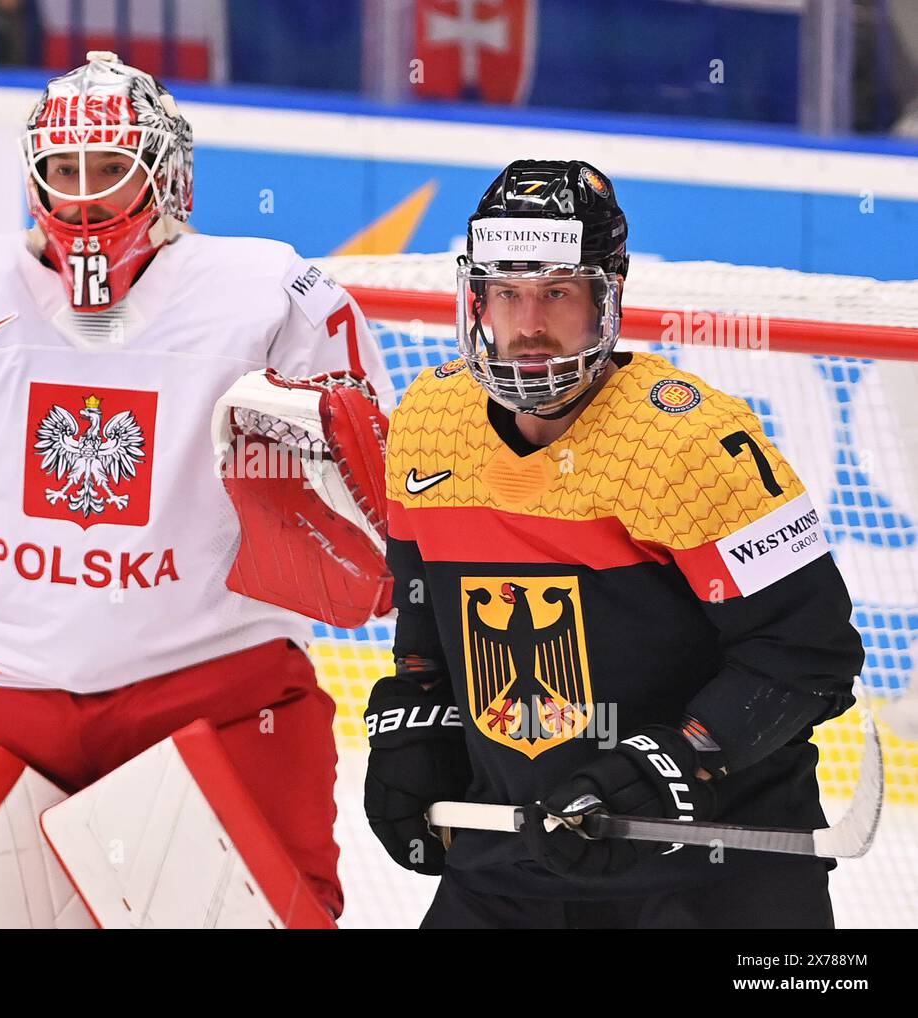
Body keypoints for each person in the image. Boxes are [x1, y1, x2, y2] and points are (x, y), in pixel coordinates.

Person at [0, 51, 393, 924]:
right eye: (62, 171)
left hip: (209, 691)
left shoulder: (274, 302)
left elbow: (369, 550)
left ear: (168, 177)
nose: (84, 198)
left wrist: (332, 480)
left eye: (110, 170)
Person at [364, 159, 863, 929]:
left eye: (557, 293)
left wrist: (682, 756)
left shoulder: (688, 441)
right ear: (477, 297)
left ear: (608, 295)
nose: (528, 324)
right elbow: (426, 610)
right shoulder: (431, 421)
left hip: (705, 877)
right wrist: (416, 710)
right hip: (509, 868)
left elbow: (809, 651)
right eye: (507, 293)